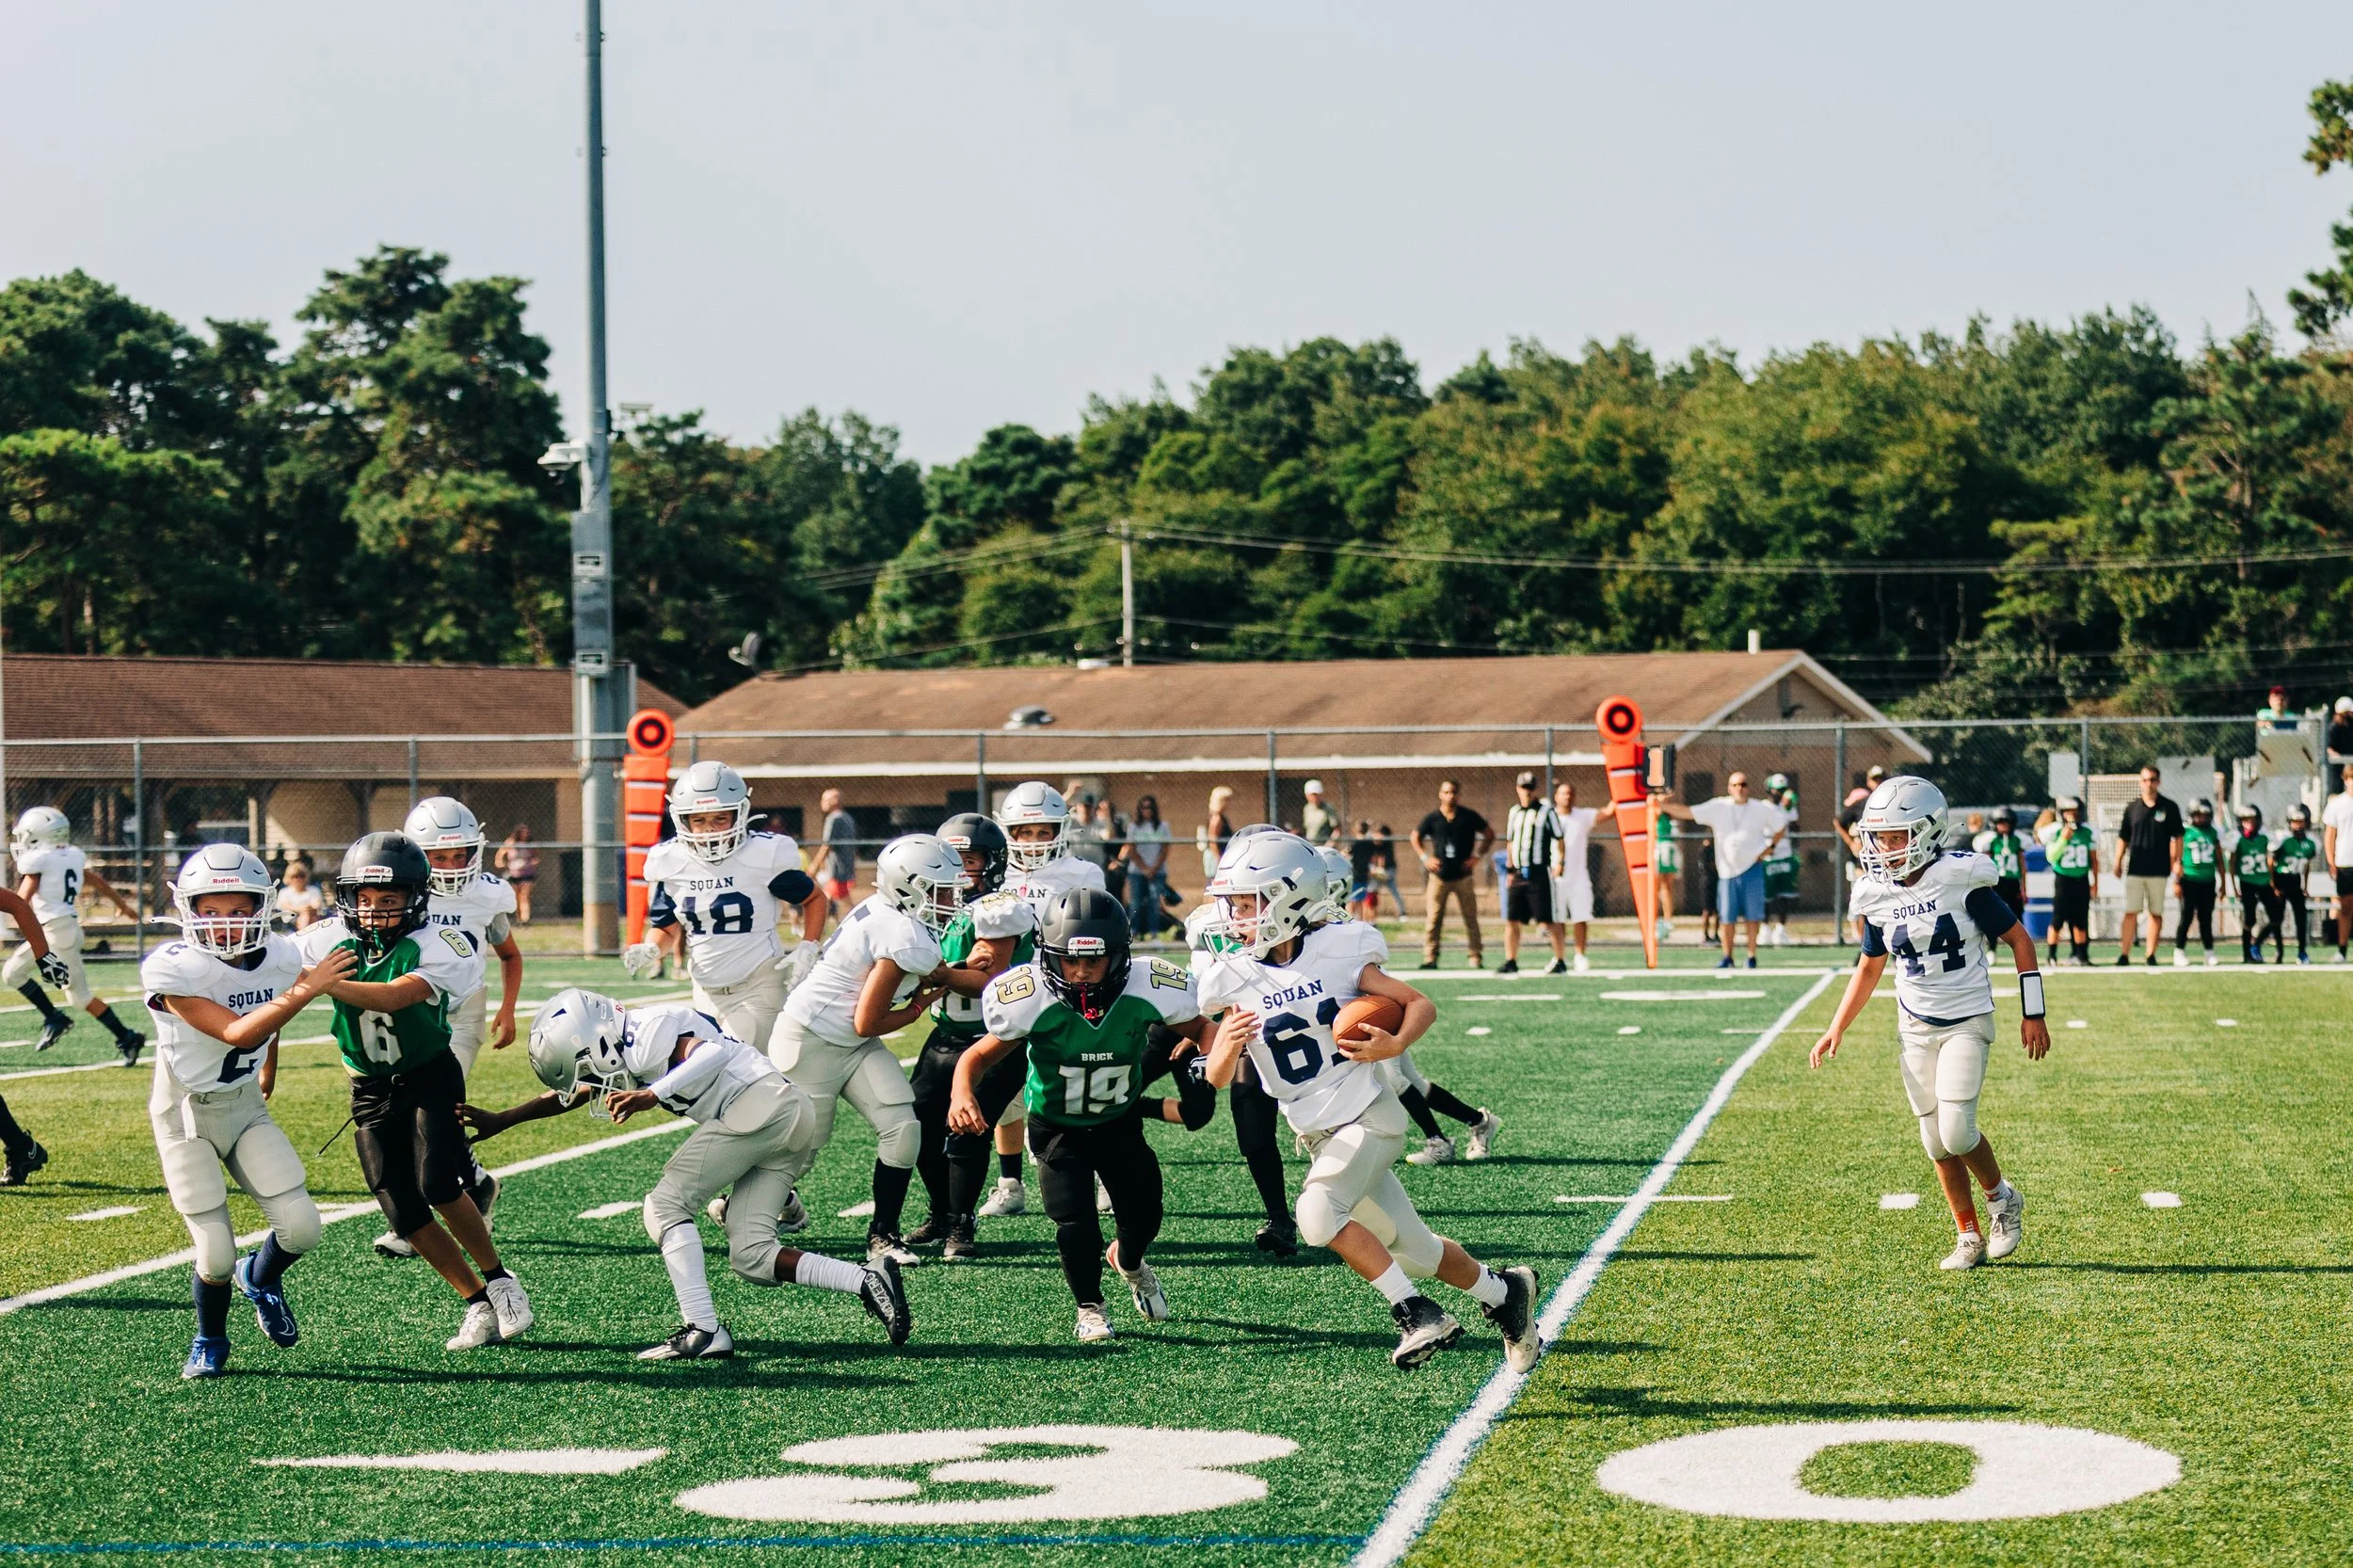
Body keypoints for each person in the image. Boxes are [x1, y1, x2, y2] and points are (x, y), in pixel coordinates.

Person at [1193, 833, 1539, 1371]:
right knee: (1416, 1250)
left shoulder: (1342, 948)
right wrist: (1228, 1045)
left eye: (1247, 901)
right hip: (1319, 1135)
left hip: (1369, 1117)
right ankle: (1506, 1292)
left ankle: (1415, 1313)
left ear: (1290, 897)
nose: (1236, 915)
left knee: (1315, 1213)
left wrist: (1396, 1044)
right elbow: (1215, 1080)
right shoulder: (1231, 976)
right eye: (1232, 903)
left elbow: (1418, 1004)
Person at [464, 989, 910, 1361]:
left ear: (594, 1040)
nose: (592, 1080)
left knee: (665, 1205)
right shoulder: (624, 1040)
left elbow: (710, 1052)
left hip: (760, 1105)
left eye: (585, 1065)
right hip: (786, 1113)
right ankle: (868, 1278)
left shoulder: (647, 1032)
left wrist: (653, 1093)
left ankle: (703, 1328)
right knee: (752, 1256)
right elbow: (575, 1094)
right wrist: (504, 1119)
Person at [297, 833, 530, 1351]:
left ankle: (499, 1277)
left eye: (389, 899)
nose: (374, 909)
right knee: (399, 1205)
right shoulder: (323, 939)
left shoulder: (440, 943)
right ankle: (477, 1302)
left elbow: (397, 997)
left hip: (428, 1074)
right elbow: (268, 973)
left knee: (439, 1183)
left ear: (415, 898)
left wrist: (320, 983)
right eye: (365, 898)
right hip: (369, 1084)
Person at [951, 888, 1212, 1343]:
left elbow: (1205, 1029)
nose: (1083, 972)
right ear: (1050, 956)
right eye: (1071, 961)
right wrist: (961, 1093)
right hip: (1058, 1127)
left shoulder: (1145, 987)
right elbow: (976, 1057)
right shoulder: (1030, 996)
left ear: (1120, 957)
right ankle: (1090, 1307)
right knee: (1074, 1222)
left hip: (1119, 1122)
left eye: (1095, 961)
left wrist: (1209, 1054)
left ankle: (1129, 1261)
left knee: (1145, 1216)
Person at [1810, 776, 2047, 1272]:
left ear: (1927, 832)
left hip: (1966, 1018)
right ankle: (1968, 1234)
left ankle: (2003, 1199)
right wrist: (1837, 1027)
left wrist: (2034, 1012)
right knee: (1935, 1140)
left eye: (1897, 837)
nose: (1886, 848)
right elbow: (1870, 964)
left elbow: (2021, 942)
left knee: (1958, 1131)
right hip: (1915, 1025)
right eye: (1880, 838)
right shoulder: (1875, 892)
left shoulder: (1961, 880)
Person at [144, 845, 348, 1379]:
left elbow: (265, 1007)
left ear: (262, 908)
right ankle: (209, 1337)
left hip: (243, 1106)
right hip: (185, 1113)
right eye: (210, 911)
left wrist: (268, 1067)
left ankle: (258, 1277)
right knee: (213, 1253)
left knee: (302, 1229)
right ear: (187, 910)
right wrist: (309, 988)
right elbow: (238, 1029)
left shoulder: (281, 957)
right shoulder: (174, 968)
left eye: (238, 911)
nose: (225, 925)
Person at [772, 834, 965, 1266]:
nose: (952, 899)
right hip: (812, 1040)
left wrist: (945, 976)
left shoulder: (891, 914)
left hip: (852, 1044)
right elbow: (869, 1020)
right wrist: (918, 1006)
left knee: (902, 1126)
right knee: (800, 1149)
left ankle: (883, 1235)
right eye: (942, 890)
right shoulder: (902, 932)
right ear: (909, 887)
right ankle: (742, 1208)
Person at [362, 796, 524, 1262]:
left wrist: (508, 1009)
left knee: (431, 1111)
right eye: (438, 856)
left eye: (460, 854)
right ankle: (476, 1184)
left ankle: (415, 1218)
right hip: (410, 1014)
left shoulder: (487, 894)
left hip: (460, 1013)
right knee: (403, 1115)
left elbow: (510, 955)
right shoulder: (400, 889)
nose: (452, 866)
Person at [628, 760, 828, 1057]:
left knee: (731, 1062)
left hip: (757, 982)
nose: (709, 830)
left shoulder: (763, 855)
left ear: (739, 814)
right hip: (705, 986)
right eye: (699, 820)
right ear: (682, 821)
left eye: (720, 819)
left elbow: (814, 898)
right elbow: (667, 927)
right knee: (716, 1077)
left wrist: (808, 945)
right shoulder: (671, 862)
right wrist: (651, 948)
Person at [904, 815, 1036, 1261]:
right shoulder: (925, 906)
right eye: (952, 859)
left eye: (971, 859)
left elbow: (985, 979)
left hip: (998, 1039)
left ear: (994, 863)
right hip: (946, 1034)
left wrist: (936, 972)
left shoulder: (1001, 908)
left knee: (967, 1130)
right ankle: (942, 1212)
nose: (961, 869)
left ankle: (962, 1223)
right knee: (915, 1127)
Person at [979, 781, 1112, 1220]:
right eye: (1023, 832)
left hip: (1069, 988)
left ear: (1061, 829)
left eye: (1042, 831)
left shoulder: (1083, 873)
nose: (1033, 841)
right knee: (1007, 1095)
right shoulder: (998, 875)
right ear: (1008, 833)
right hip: (1014, 990)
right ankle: (1010, 1183)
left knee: (1078, 1087)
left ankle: (1101, 1178)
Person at [6, 806, 145, 1064]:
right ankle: (126, 1036)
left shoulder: (40, 861)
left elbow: (20, 900)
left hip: (56, 931)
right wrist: (123, 905)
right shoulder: (71, 855)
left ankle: (56, 1018)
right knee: (77, 996)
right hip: (65, 929)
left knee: (17, 975)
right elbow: (97, 881)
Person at [1661, 772, 1790, 970]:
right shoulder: (1718, 807)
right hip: (1727, 872)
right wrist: (1661, 806)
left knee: (1752, 917)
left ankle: (1751, 956)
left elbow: (1781, 826)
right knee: (1727, 918)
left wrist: (1769, 848)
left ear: (1749, 787)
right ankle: (1727, 956)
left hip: (1752, 868)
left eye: (1743, 784)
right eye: (1735, 785)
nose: (1740, 788)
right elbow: (1687, 812)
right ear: (1729, 788)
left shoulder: (1759, 808)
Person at [1412, 780, 1492, 970]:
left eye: (1454, 792)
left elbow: (1489, 834)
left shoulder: (1468, 816)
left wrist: (1477, 857)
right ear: (1440, 794)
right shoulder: (1433, 818)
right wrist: (1425, 857)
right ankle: (1430, 956)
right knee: (1433, 918)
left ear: (1458, 795)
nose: (1450, 796)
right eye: (1446, 792)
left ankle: (1475, 955)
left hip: (1463, 876)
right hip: (1439, 877)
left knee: (1470, 917)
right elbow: (1415, 836)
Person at [2112, 765, 2182, 967]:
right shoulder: (2132, 808)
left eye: (2152, 780)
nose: (2148, 784)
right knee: (2131, 911)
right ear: (2140, 782)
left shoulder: (2169, 807)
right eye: (2145, 780)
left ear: (2158, 782)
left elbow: (2178, 837)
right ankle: (2124, 954)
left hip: (2159, 870)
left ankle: (2150, 955)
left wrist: (2177, 862)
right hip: (2135, 869)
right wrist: (2117, 860)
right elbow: (2123, 838)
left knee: (2156, 913)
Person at [1498, 773, 1564, 976]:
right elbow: (1510, 843)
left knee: (1548, 918)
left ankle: (1560, 959)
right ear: (1517, 788)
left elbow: (1559, 838)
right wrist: (1510, 870)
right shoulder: (1514, 812)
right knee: (1512, 918)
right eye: (1523, 787)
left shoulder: (1546, 812)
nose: (1526, 791)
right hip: (1518, 872)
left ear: (1534, 789)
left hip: (1538, 871)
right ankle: (1511, 960)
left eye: (1530, 787)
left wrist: (1559, 861)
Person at [1836, 765, 1887, 943]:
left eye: (1881, 779)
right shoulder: (1863, 803)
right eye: (1875, 779)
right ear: (1869, 782)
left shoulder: (1891, 802)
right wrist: (1851, 843)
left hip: (1887, 860)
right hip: (1864, 863)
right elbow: (1839, 821)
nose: (1878, 783)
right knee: (1862, 901)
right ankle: (1862, 942)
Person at [2046, 797, 2098, 965]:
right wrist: (2063, 839)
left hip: (2081, 879)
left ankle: (2081, 955)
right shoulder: (2056, 832)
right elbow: (2051, 856)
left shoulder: (2088, 832)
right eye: (2068, 813)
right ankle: (2051, 956)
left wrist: (2095, 882)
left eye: (2075, 813)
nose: (2072, 816)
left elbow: (2094, 859)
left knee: (2081, 919)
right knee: (2058, 919)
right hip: (2063, 880)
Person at [2173, 800, 2220, 968]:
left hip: (2208, 880)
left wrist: (2222, 881)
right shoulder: (2185, 832)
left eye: (2206, 815)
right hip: (2189, 879)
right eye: (2199, 815)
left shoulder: (2213, 832)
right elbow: (2176, 857)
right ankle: (2179, 951)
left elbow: (2219, 858)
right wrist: (2176, 881)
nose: (2202, 818)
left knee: (2206, 918)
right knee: (2186, 916)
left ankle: (2209, 952)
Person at [2271, 806, 2321, 965]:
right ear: (2289, 822)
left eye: (2301, 822)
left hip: (2295, 881)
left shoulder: (2311, 842)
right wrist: (2273, 885)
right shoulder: (2283, 839)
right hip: (2281, 879)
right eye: (2295, 822)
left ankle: (2302, 952)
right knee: (2277, 917)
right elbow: (2270, 862)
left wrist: (2305, 886)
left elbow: (2306, 865)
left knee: (2301, 917)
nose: (2298, 825)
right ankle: (2274, 949)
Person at [2229, 804, 2277, 965]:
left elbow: (2270, 860)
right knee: (2250, 919)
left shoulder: (2264, 837)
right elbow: (2232, 863)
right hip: (2247, 881)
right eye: (2245, 819)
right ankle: (2246, 955)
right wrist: (2234, 887)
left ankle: (2255, 945)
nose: (2249, 822)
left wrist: (2272, 882)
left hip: (2263, 881)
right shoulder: (2238, 839)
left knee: (2277, 916)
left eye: (2252, 819)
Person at [1761, 774, 1801, 948]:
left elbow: (1795, 827)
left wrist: (1788, 809)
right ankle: (1764, 929)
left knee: (1784, 895)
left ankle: (1781, 929)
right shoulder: (1762, 807)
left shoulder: (1788, 808)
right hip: (1768, 855)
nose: (1780, 793)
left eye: (1783, 790)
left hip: (1785, 854)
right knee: (1767, 895)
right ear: (1770, 790)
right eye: (1778, 790)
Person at [1124, 794, 1171, 936]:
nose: (1147, 810)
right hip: (1137, 872)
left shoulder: (1162, 826)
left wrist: (1153, 868)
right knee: (1135, 903)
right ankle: (1133, 933)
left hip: (1158, 871)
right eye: (1143, 808)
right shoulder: (1133, 827)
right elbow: (1131, 849)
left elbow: (1165, 849)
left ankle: (1154, 934)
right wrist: (1144, 868)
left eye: (1149, 807)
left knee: (1154, 903)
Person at [2325, 763, 2353, 963]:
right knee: (2345, 908)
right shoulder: (2337, 804)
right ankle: (2342, 950)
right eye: (2350, 778)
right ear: (2345, 780)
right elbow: (2330, 836)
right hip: (2345, 862)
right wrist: (2331, 860)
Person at [1979, 808, 2025, 922]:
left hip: (2013, 880)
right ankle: (1992, 939)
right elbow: (1987, 862)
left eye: (2007, 823)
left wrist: (2024, 889)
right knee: (1993, 911)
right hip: (1997, 881)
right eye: (2000, 823)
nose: (2004, 826)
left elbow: (2022, 865)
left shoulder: (2017, 841)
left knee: (2017, 912)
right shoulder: (1992, 841)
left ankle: (2019, 939)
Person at [819, 788, 859, 911]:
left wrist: (814, 866)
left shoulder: (834, 818)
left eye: (825, 800)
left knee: (839, 900)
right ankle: (825, 926)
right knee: (827, 898)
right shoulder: (848, 818)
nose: (822, 803)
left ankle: (860, 921)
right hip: (845, 868)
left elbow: (827, 845)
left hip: (837, 869)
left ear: (835, 801)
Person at [493, 825, 539, 925]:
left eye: (527, 832)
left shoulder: (530, 844)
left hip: (527, 873)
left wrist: (531, 863)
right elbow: (500, 854)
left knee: (525, 896)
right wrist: (501, 863)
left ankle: (525, 919)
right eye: (523, 832)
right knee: (516, 897)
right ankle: (519, 919)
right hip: (514, 874)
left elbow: (536, 857)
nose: (525, 834)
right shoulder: (511, 842)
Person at [1649, 788, 1679, 939]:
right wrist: (1659, 801)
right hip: (1658, 850)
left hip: (1669, 850)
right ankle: (1652, 918)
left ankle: (1668, 919)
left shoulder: (1669, 812)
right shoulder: (1655, 811)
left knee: (1667, 886)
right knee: (1655, 886)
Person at [1088, 797, 1128, 909]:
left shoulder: (1117, 824)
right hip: (1098, 863)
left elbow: (1124, 843)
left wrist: (1118, 861)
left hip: (1114, 864)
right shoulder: (1093, 825)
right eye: (1100, 809)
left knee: (1115, 895)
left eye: (1107, 809)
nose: (1103, 811)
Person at [1199, 786, 1239, 880]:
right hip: (1216, 856)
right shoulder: (1217, 818)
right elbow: (1213, 840)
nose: (1229, 803)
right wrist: (1219, 860)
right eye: (1227, 800)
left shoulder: (1220, 817)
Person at [276, 860, 326, 930]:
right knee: (305, 914)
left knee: (307, 914)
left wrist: (305, 909)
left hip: (311, 916)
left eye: (301, 876)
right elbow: (285, 905)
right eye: (295, 876)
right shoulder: (284, 892)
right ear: (289, 878)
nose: (298, 879)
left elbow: (316, 905)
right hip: (291, 919)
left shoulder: (314, 890)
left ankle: (303, 931)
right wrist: (301, 909)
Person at [1370, 824, 1405, 919]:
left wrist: (1378, 870)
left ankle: (1402, 913)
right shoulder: (1375, 843)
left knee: (1392, 891)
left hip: (1388, 870)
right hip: (1380, 871)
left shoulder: (1387, 843)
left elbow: (1382, 858)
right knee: (1372, 891)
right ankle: (1371, 914)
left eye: (1379, 834)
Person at [1301, 779, 1339, 849]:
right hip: (1311, 847)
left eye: (1317, 794)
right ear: (1307, 795)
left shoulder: (1328, 808)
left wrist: (1327, 846)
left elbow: (1337, 831)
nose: (1315, 797)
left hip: (1325, 848)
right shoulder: (1307, 808)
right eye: (1312, 794)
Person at [2329, 697, 2353, 762]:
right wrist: (2340, 759)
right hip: (2338, 767)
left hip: (2350, 763)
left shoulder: (2350, 724)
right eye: (2350, 712)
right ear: (2344, 713)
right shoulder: (2334, 727)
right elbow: (2329, 748)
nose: (2352, 713)